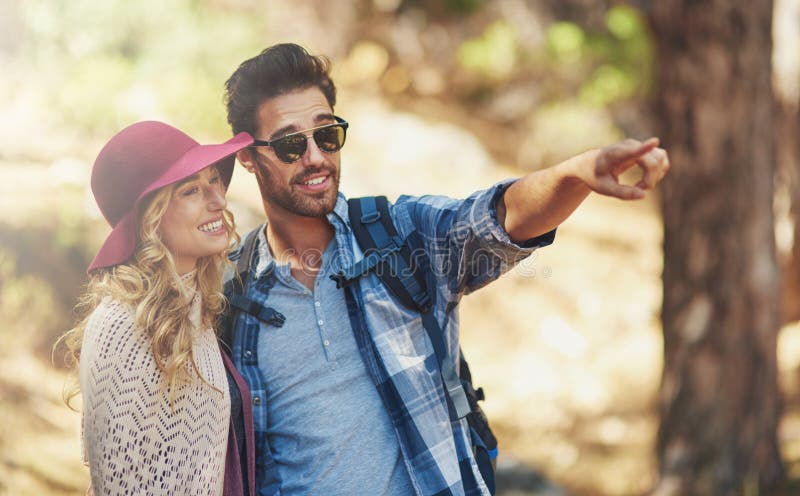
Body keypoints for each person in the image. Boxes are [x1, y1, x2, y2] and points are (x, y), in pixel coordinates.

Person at [222, 43, 670, 496]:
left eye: (327, 135)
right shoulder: (229, 301)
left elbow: (499, 218)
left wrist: (575, 174)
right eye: (290, 144)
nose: (315, 157)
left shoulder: (399, 238)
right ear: (248, 157)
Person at [58, 121, 257, 495]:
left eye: (214, 180)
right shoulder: (123, 324)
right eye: (191, 190)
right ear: (150, 217)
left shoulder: (194, 305)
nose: (218, 200)